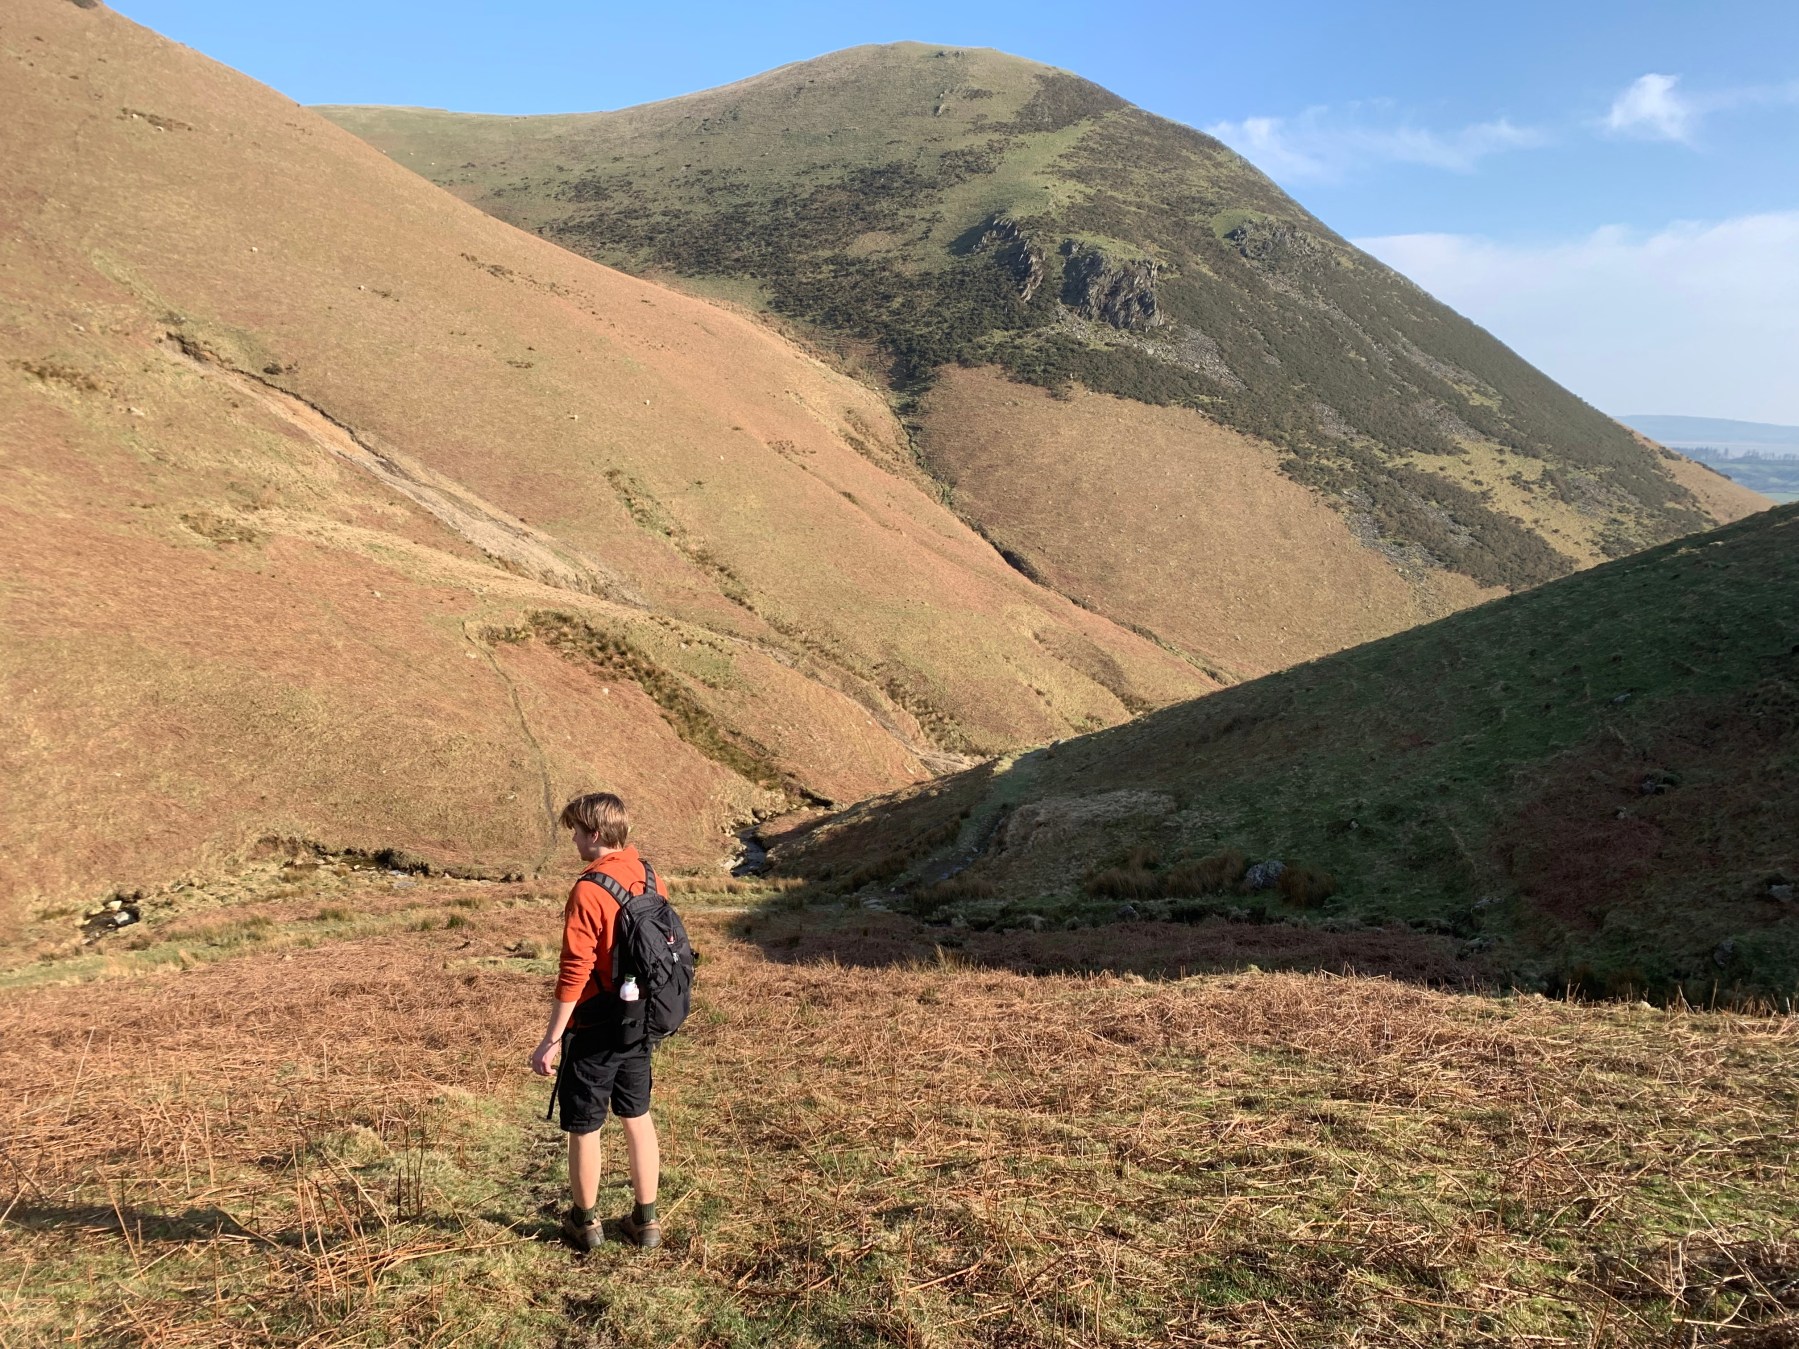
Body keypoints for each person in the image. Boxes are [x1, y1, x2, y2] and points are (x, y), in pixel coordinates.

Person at [530, 791, 663, 1251]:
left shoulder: (589, 889)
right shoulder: (650, 876)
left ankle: (584, 1223)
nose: (572, 839)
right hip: (639, 1018)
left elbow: (575, 970)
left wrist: (551, 1039)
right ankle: (646, 1221)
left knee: (585, 1125)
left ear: (596, 833)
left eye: (576, 831)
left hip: (593, 1024)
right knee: (637, 1115)